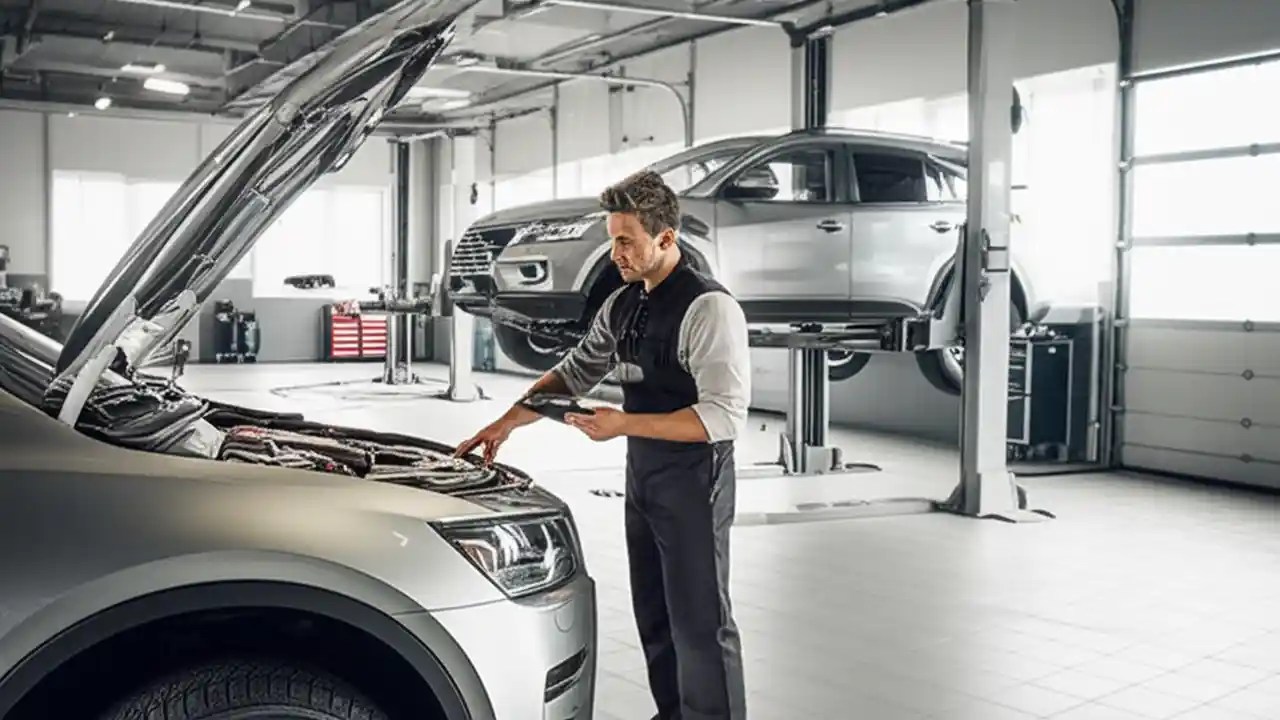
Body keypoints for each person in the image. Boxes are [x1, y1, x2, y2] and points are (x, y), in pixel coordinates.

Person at [455, 169, 750, 720]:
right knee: (655, 616)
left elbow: (722, 416)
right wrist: (505, 424)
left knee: (701, 622)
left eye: (626, 241)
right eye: (613, 239)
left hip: (696, 478)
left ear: (666, 237)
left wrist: (623, 424)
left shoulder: (709, 309)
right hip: (644, 475)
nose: (615, 254)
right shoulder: (622, 303)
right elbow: (573, 373)